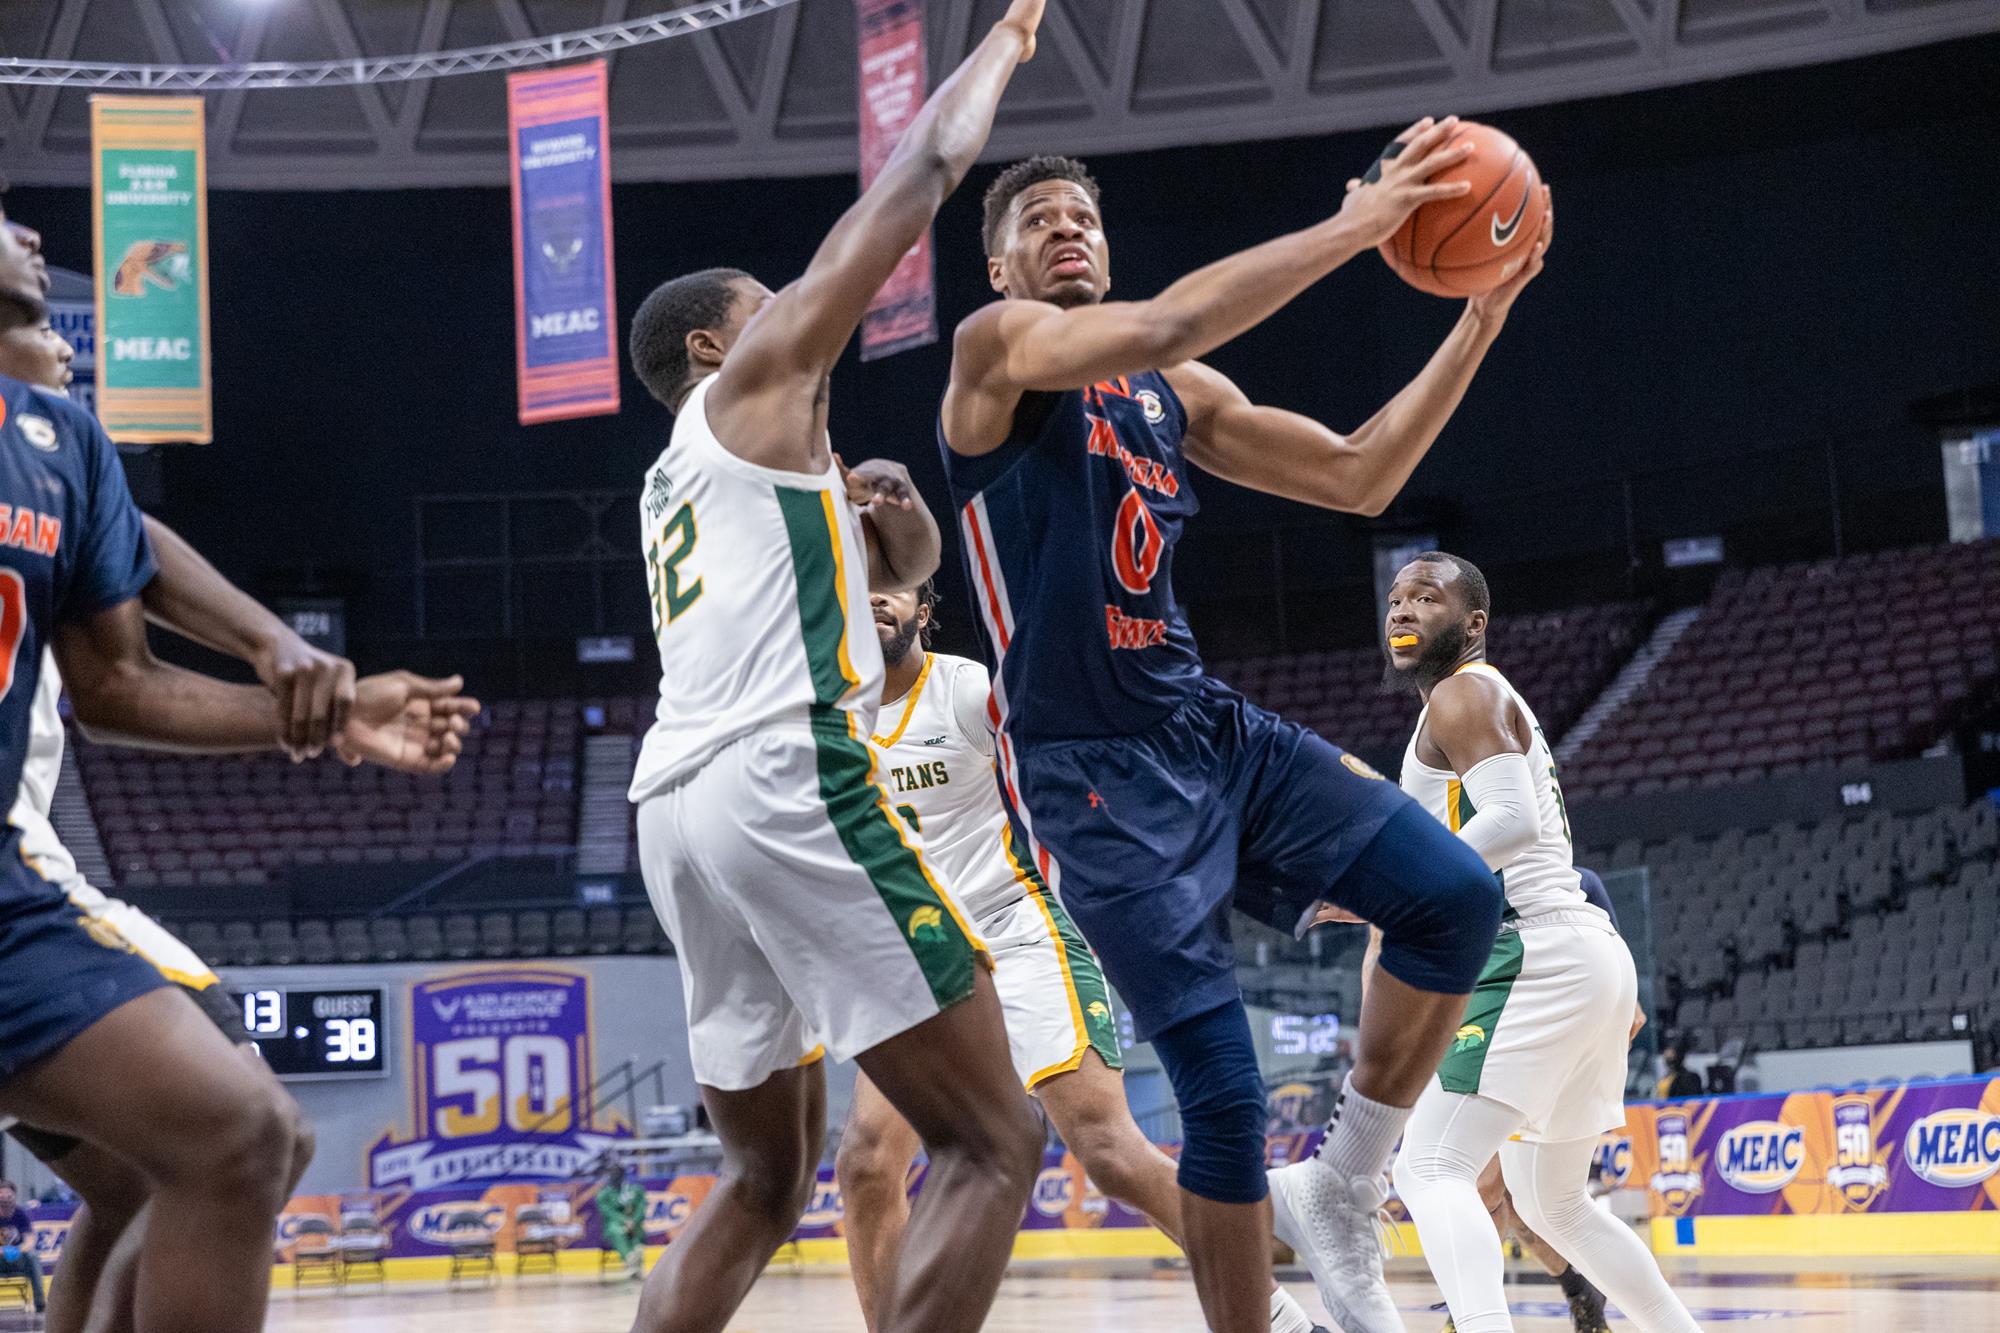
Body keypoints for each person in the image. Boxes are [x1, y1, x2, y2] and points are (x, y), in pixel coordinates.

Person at [937, 124, 1549, 1332]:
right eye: (1038, 222)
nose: (1068, 230)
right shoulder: (992, 353)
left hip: (1205, 729)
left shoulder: (1171, 395)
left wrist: (1473, 320)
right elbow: (1166, 321)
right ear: (1001, 272)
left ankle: (1338, 1183)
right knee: (1217, 1092)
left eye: (1084, 217)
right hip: (1083, 771)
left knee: (1456, 901)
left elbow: (1361, 473)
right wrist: (1356, 227)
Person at [620, 7, 1049, 1332]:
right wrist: (1008, 41)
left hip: (675, 809)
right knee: (994, 1139)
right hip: (781, 773)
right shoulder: (750, 389)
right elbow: (919, 176)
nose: (792, 322)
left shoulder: (692, 478)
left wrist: (891, 525)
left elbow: (906, 573)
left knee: (760, 1179)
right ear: (714, 346)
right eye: (765, 312)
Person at [0, 198, 478, 1333]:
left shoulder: (56, 445)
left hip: (9, 887)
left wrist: (309, 702)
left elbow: (119, 677)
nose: (28, 233)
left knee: (244, 1130)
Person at [832, 582, 1325, 1333]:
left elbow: (1075, 777)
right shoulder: (828, 716)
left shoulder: (965, 691)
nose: (874, 600)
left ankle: (1284, 1320)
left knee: (1106, 1150)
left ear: (925, 609)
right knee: (867, 1164)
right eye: (857, 584)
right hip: (922, 956)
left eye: (892, 585)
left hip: (1018, 926)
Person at [1366, 550, 1702, 1333]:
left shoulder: (1462, 691)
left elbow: (1513, 822)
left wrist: (1395, 878)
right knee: (1556, 1203)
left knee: (1429, 1164)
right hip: (1580, 954)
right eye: (1395, 599)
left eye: (1426, 597)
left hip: (1535, 951)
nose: (1404, 611)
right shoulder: (1470, 698)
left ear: (1474, 623)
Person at [597, 1161, 649, 1280]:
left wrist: (633, 1221)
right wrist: (624, 1221)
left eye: (617, 1173)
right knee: (618, 1231)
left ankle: (637, 1252)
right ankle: (630, 1258)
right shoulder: (604, 1195)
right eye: (612, 1173)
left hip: (634, 1224)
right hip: (614, 1225)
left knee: (638, 1231)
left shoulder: (636, 1190)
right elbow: (609, 1212)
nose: (614, 1176)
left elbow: (641, 1208)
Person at [0, 1180, 44, 1315]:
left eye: (9, 1196)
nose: (5, 1200)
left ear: (15, 1197)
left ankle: (40, 1304)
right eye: (2, 1196)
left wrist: (18, 1250)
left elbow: (30, 1239)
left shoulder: (21, 1214)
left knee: (33, 1256)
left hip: (17, 1259)